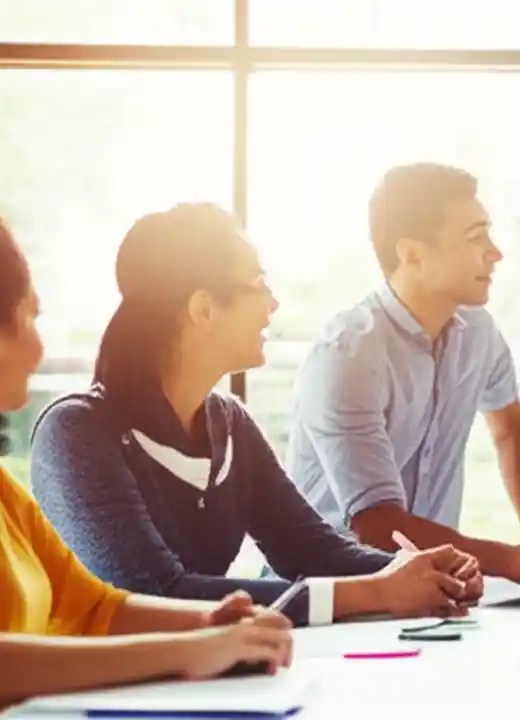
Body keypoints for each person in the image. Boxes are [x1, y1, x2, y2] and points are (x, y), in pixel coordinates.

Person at [31, 203, 482, 628]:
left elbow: (311, 550)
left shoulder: (230, 425)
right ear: (203, 309)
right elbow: (153, 593)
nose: (273, 303)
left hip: (198, 683)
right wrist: (377, 592)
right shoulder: (77, 433)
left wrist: (419, 571)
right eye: (259, 284)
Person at [0, 218, 292, 705]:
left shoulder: (5, 494)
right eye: (29, 318)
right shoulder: (78, 427)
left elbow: (95, 609)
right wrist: (186, 650)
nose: (39, 349)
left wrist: (209, 624)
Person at [287, 163, 520, 582]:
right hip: (332, 592)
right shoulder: (349, 356)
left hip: (426, 590)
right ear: (412, 254)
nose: (495, 252)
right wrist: (510, 560)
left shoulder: (479, 333)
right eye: (475, 237)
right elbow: (374, 524)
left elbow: (509, 430)